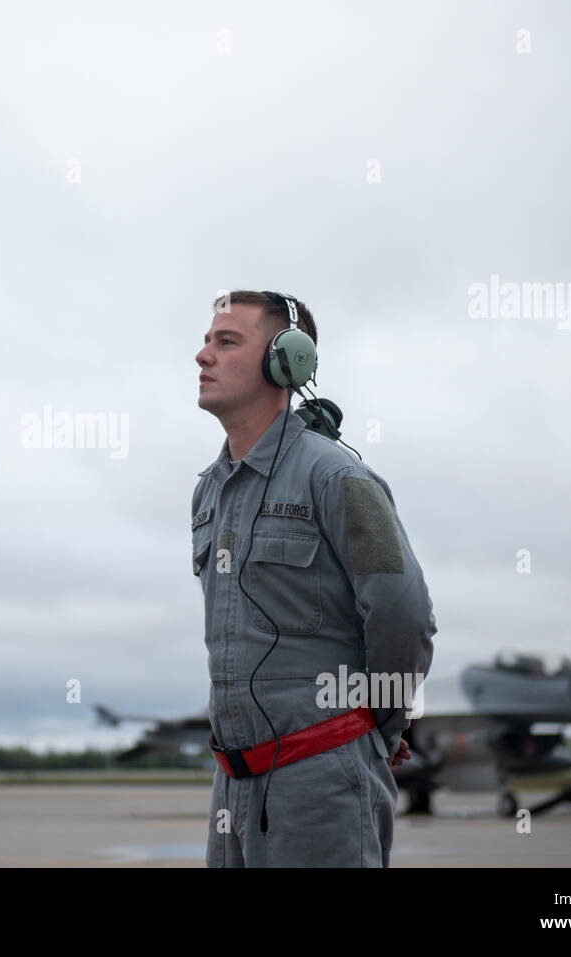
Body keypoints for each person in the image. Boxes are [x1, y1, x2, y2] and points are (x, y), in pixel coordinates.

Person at [193, 290, 436, 867]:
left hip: (320, 781)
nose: (202, 356)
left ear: (286, 361)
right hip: (231, 787)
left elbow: (403, 613)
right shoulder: (209, 490)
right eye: (206, 341)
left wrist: (379, 726)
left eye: (226, 342)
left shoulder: (336, 477)